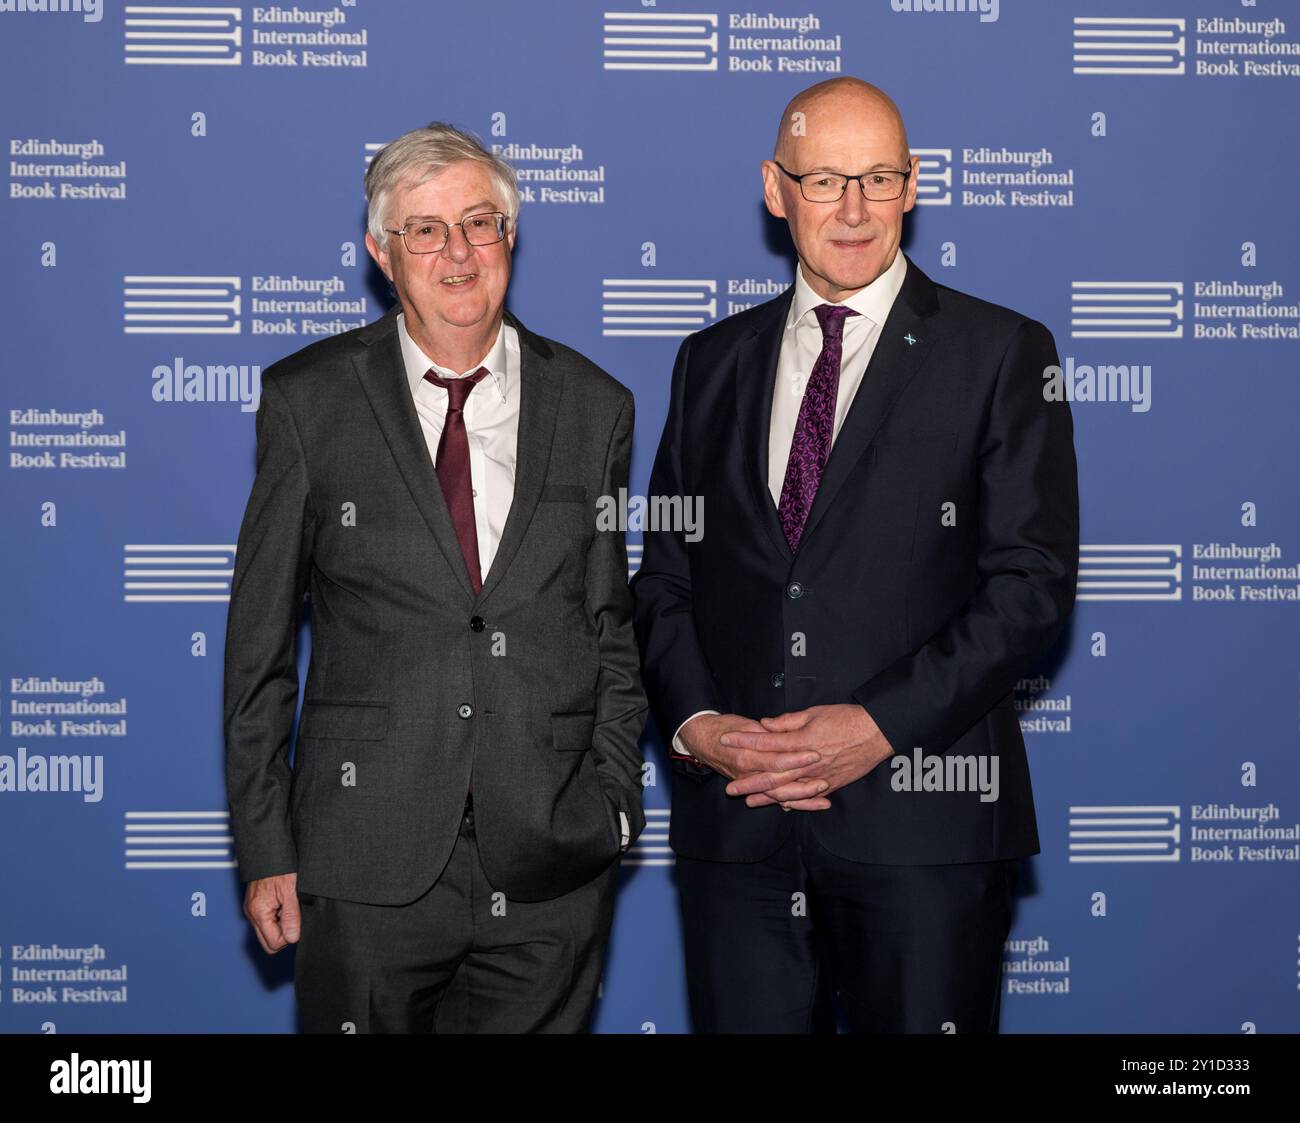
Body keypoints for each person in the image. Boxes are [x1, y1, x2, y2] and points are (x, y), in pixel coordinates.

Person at [632, 78, 1079, 1033]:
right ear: (774, 187)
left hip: (923, 832)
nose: (854, 209)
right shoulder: (708, 364)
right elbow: (665, 579)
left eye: (879, 178)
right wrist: (701, 725)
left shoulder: (1001, 352)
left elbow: (1030, 588)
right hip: (739, 838)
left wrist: (874, 726)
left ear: (913, 186)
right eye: (826, 178)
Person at [223, 122, 646, 1033]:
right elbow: (257, 645)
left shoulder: (596, 405)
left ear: (511, 237)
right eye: (425, 229)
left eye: (480, 223)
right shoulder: (310, 400)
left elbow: (612, 625)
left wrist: (612, 804)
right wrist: (266, 845)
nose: (457, 252)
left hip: (549, 862)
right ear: (382, 252)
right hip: (365, 856)